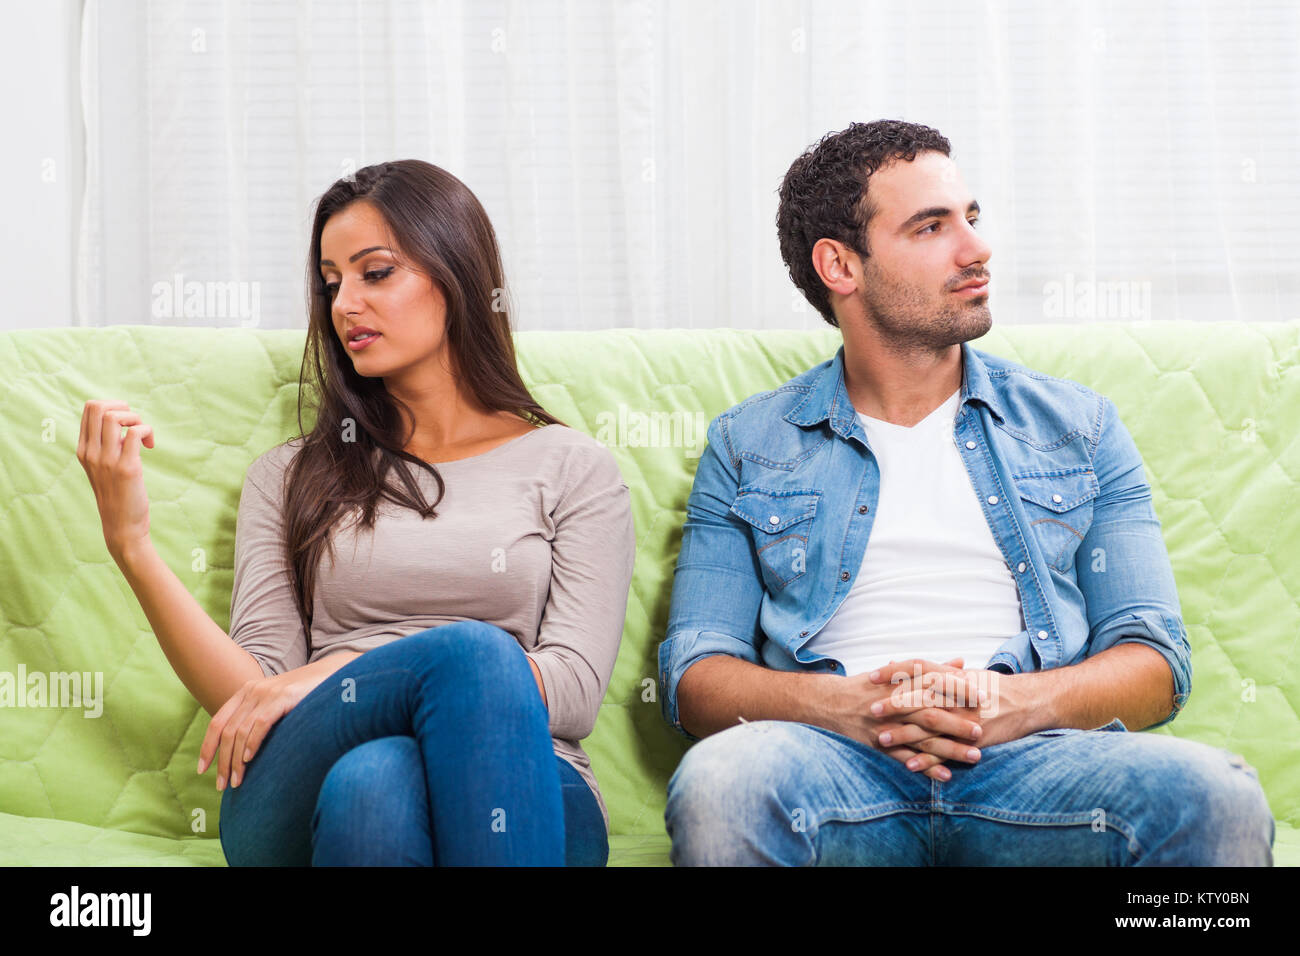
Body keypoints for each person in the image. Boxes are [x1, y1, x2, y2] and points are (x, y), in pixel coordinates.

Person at [657, 120, 1274, 866]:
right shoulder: (747, 445)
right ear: (840, 266)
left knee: (1220, 797)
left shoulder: (1079, 428)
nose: (976, 248)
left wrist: (1014, 705)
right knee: (721, 783)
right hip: (828, 763)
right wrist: (852, 709)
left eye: (971, 219)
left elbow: (1153, 657)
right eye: (931, 226)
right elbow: (695, 676)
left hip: (1034, 766)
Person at [76, 159, 635, 866]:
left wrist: (329, 671)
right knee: (451, 677)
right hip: (302, 777)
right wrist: (132, 545)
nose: (343, 305)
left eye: (375, 273)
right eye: (331, 283)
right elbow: (256, 695)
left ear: (456, 272)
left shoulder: (572, 467)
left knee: (379, 782)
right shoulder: (289, 475)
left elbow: (576, 689)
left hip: (528, 781)